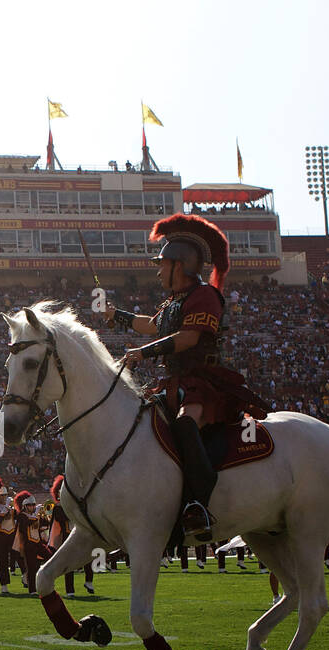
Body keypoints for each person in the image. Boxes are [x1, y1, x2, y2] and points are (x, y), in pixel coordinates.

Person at [102, 214, 270, 541]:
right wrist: (117, 316)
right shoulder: (172, 303)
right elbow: (151, 325)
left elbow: (189, 338)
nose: (158, 270)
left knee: (184, 424)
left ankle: (198, 503)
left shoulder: (205, 296)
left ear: (180, 265)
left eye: (162, 264)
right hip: (172, 383)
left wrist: (143, 353)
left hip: (201, 384)